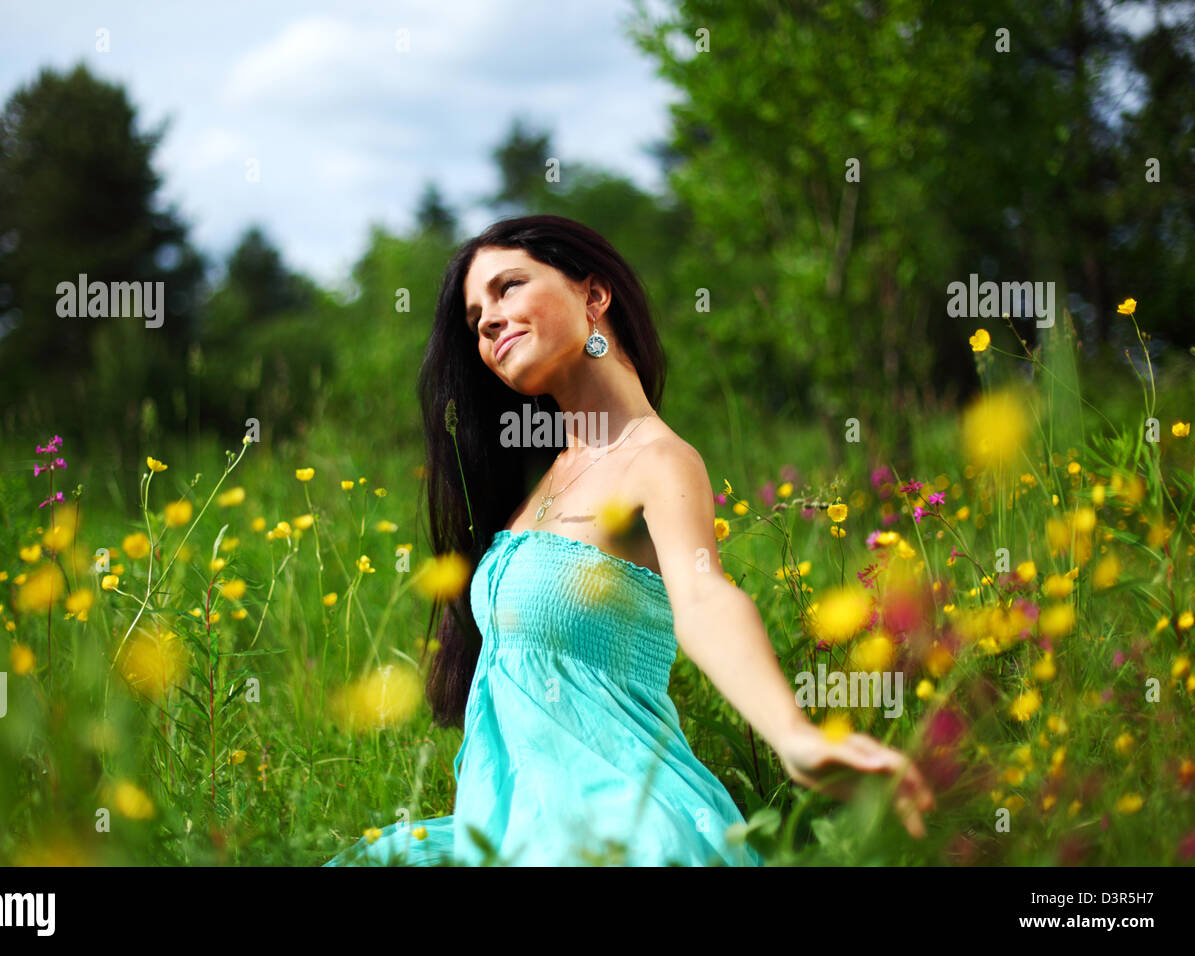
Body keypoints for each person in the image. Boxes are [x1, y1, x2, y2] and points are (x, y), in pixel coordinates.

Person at [325, 214, 933, 866]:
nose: (489, 322)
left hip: (622, 827)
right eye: (476, 318)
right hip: (506, 836)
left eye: (508, 288)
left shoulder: (657, 461)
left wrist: (793, 735)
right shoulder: (539, 482)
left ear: (594, 295)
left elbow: (703, 598)